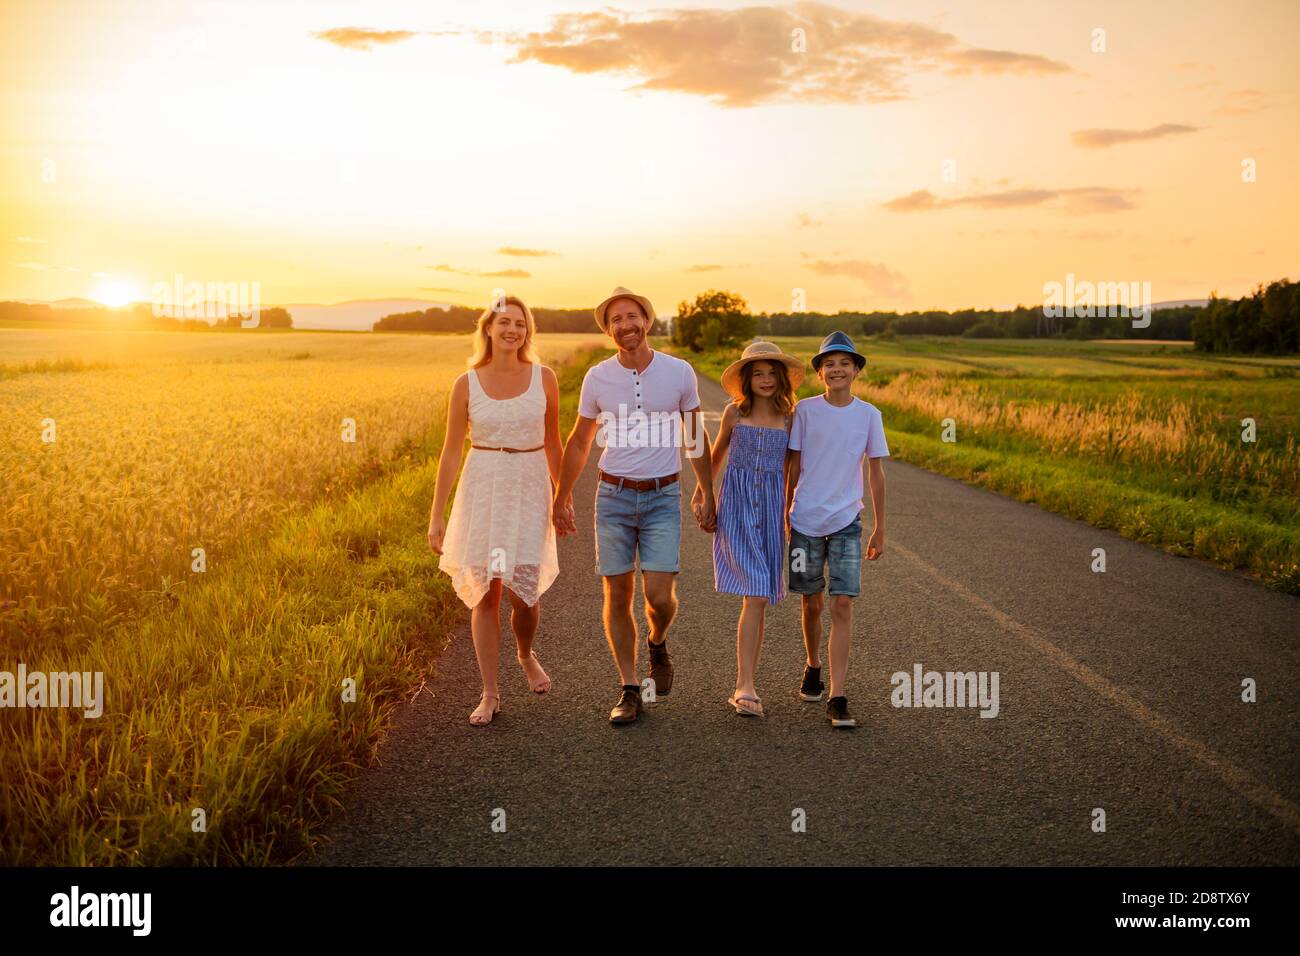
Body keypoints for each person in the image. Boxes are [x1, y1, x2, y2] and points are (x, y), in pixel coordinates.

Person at [552, 286, 716, 724]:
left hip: (663, 496)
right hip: (613, 496)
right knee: (617, 591)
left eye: (632, 316)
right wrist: (562, 495)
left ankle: (657, 642)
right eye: (615, 321)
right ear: (608, 331)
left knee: (659, 597)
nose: (625, 325)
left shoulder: (679, 372)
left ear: (647, 319)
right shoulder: (597, 378)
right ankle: (629, 687)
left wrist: (706, 491)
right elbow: (580, 440)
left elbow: (696, 436)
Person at [428, 295, 563, 726]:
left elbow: (554, 443)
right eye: (504, 322)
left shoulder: (545, 378)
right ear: (488, 328)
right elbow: (451, 450)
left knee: (525, 593)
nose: (512, 330)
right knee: (487, 592)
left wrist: (563, 498)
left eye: (520, 324)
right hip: (483, 484)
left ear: (528, 331)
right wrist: (437, 514)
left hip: (529, 483)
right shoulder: (465, 383)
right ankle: (489, 692)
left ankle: (525, 653)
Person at [785, 331, 888, 728]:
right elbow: (792, 463)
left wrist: (880, 527)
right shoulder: (806, 412)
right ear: (820, 372)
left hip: (847, 521)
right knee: (810, 601)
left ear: (856, 370)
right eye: (829, 364)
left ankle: (838, 695)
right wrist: (785, 509)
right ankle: (813, 665)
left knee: (842, 603)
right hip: (805, 521)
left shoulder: (869, 415)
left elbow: (876, 473)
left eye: (844, 363)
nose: (836, 369)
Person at [708, 341, 804, 717]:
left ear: (781, 378)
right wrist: (704, 498)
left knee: (760, 595)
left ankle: (747, 681)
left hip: (772, 510)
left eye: (771, 373)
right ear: (747, 380)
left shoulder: (790, 418)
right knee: (755, 592)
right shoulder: (735, 413)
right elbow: (715, 459)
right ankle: (744, 685)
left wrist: (791, 509)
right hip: (736, 505)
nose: (765, 379)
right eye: (757, 373)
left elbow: (791, 470)